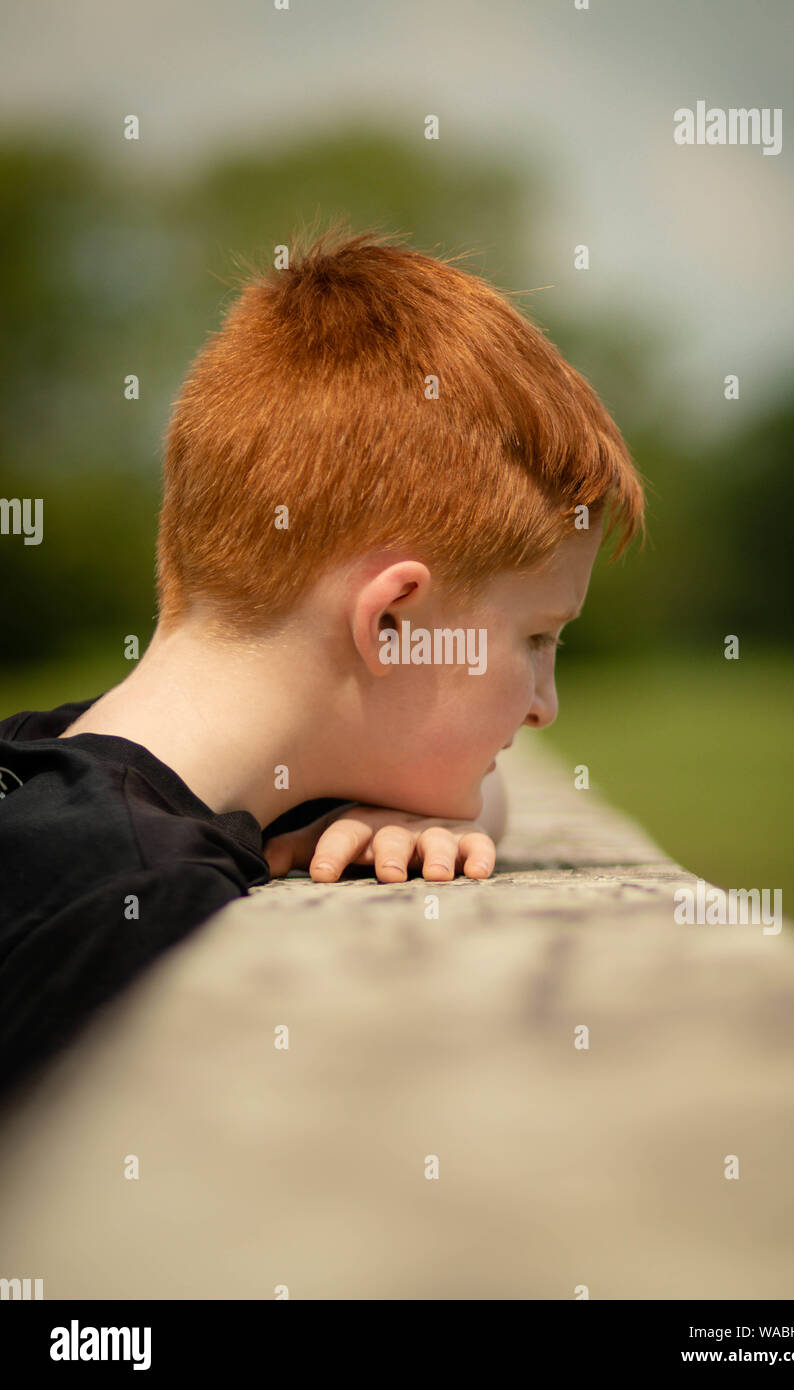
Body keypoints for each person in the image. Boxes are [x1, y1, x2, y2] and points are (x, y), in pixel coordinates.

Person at [0, 226, 644, 1100]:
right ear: (391, 624)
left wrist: (439, 816)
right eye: (536, 639)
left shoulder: (74, 771)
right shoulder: (126, 912)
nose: (543, 707)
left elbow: (479, 798)